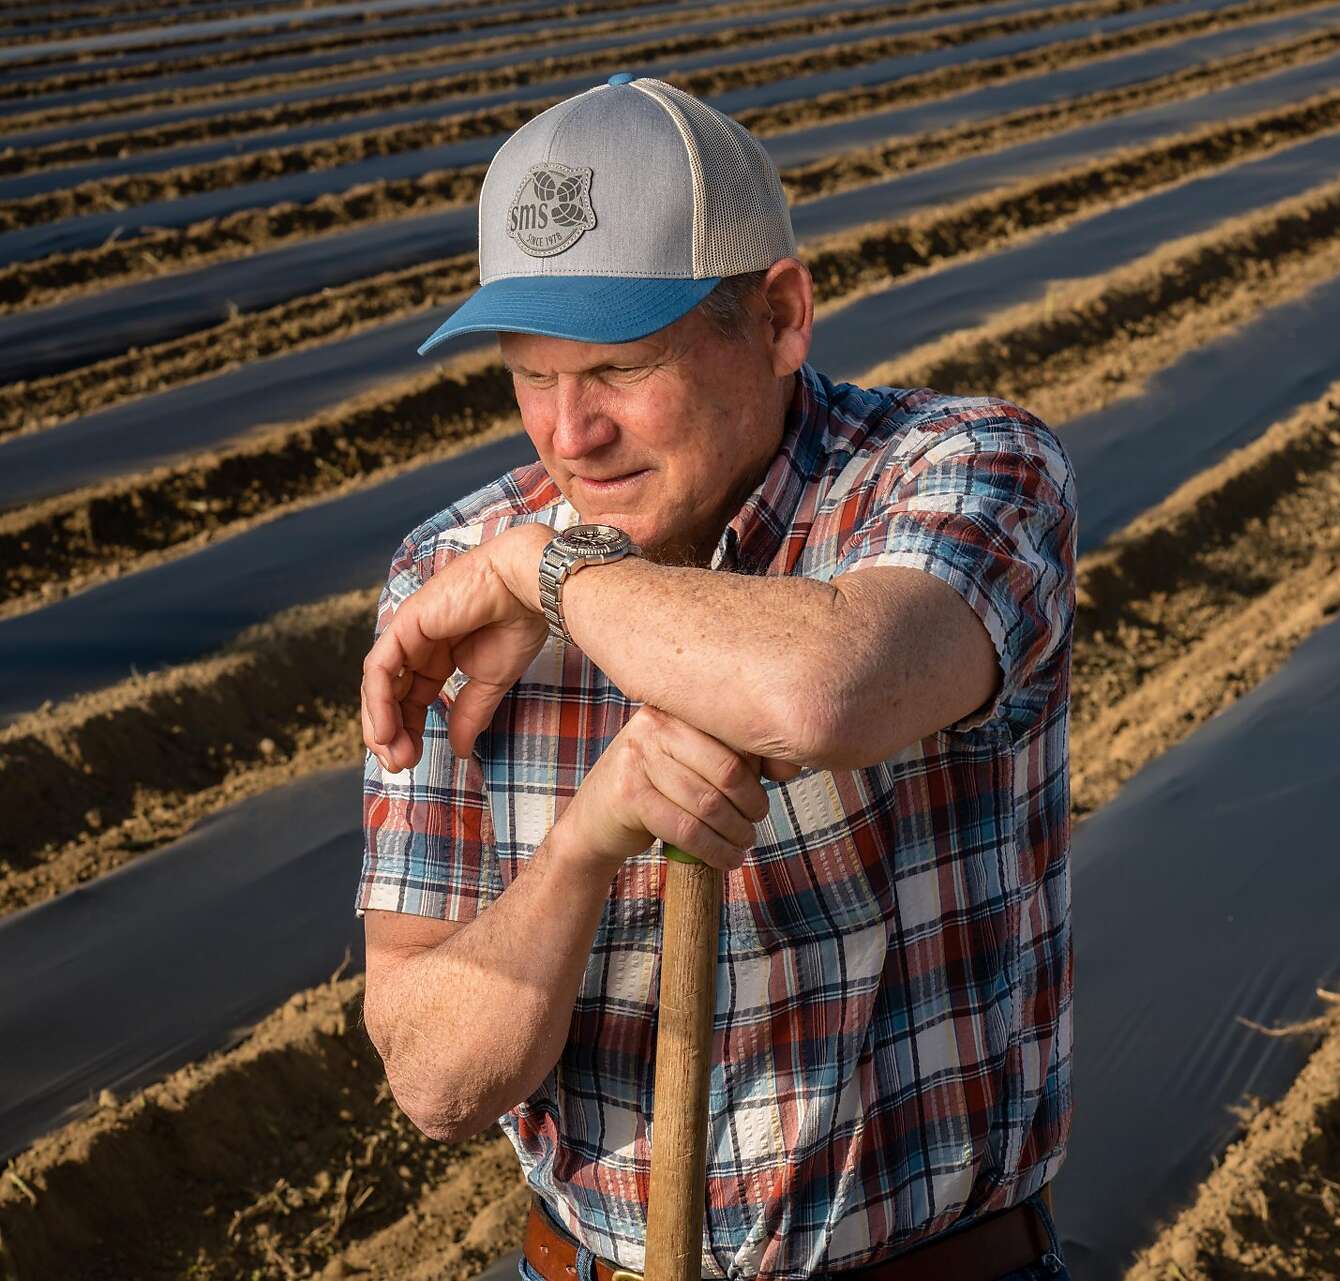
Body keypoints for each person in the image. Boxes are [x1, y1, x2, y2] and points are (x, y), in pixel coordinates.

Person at [352, 74, 1077, 1281]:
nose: (567, 437)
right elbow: (434, 1084)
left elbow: (823, 690)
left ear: (783, 315)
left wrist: (548, 567)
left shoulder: (962, 470)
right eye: (534, 374)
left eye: (623, 369)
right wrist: (586, 843)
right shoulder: (442, 573)